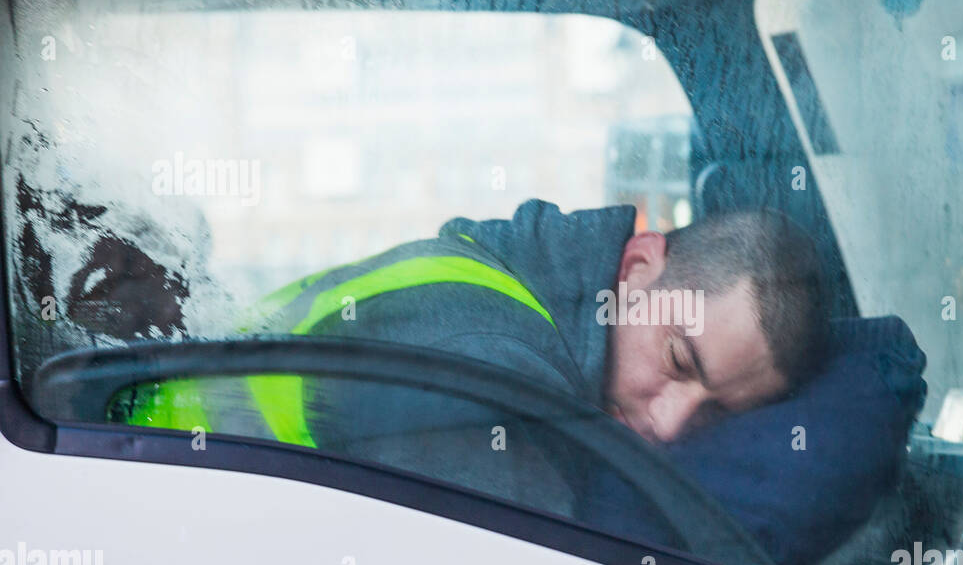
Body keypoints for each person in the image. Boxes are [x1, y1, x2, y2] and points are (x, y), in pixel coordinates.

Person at [118, 199, 831, 505]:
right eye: (678, 362)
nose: (670, 425)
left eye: (713, 416)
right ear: (639, 267)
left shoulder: (479, 273)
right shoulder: (502, 399)